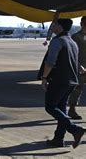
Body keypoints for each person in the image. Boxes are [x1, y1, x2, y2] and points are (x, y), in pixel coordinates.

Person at [40, 18, 84, 148]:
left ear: (60, 27)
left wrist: (44, 78)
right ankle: (58, 139)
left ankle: (75, 129)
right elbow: (75, 62)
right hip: (71, 81)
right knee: (61, 109)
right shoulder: (72, 42)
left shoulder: (57, 41)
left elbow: (50, 62)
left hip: (59, 80)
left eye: (55, 24)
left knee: (50, 107)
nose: (53, 26)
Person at [69, 16, 86, 119]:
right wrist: (78, 65)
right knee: (77, 89)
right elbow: (72, 54)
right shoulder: (76, 37)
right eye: (85, 23)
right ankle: (72, 109)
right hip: (80, 67)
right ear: (81, 23)